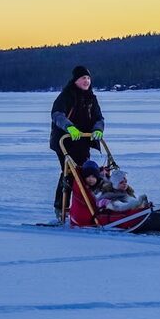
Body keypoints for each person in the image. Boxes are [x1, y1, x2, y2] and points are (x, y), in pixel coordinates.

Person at [50, 65, 105, 219]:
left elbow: (99, 118)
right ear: (75, 80)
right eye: (83, 78)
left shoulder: (91, 98)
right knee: (69, 174)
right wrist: (69, 127)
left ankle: (93, 204)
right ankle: (61, 208)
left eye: (88, 78)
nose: (86, 81)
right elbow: (57, 115)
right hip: (65, 141)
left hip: (83, 141)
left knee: (87, 173)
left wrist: (98, 129)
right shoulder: (66, 96)